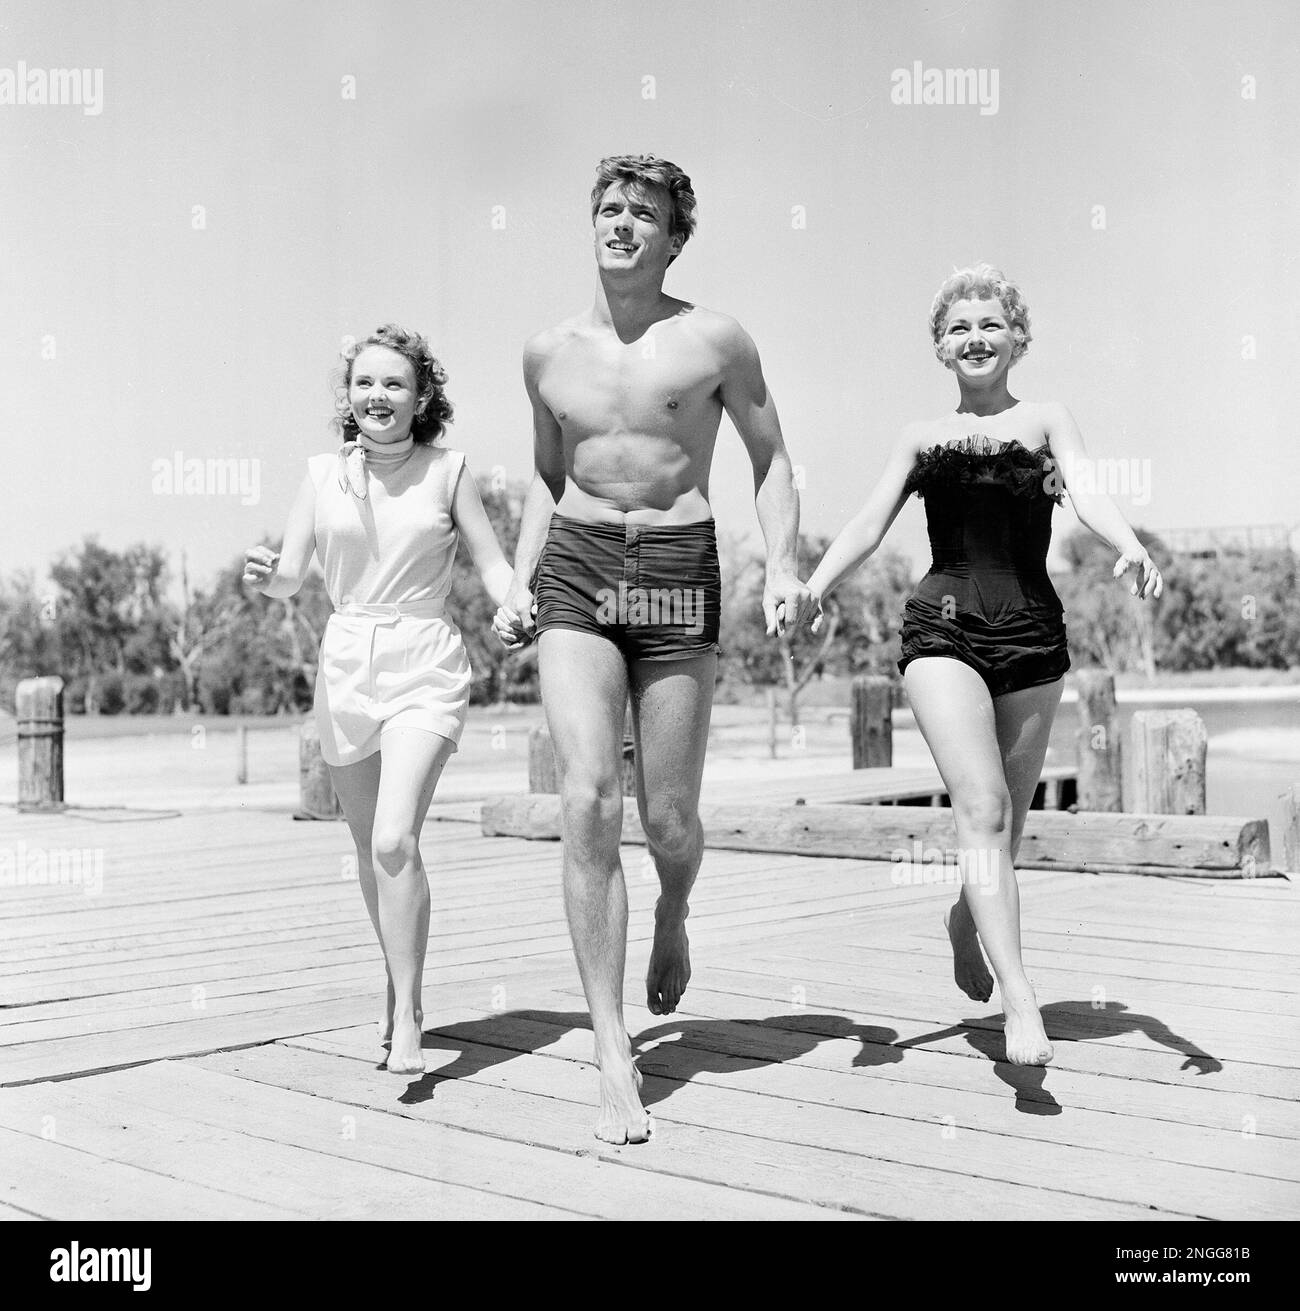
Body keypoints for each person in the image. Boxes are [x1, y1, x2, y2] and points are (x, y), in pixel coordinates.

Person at [494, 155, 814, 1143]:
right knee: (588, 795)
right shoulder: (547, 353)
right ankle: (608, 1043)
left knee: (667, 817)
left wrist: (788, 565)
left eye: (644, 212)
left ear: (673, 236)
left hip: (678, 565)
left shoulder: (714, 339)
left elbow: (770, 459)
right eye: (609, 207)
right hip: (579, 572)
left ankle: (674, 908)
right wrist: (519, 576)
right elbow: (550, 478)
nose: (623, 222)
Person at [807, 265, 1163, 1066]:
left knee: (1009, 822)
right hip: (943, 628)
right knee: (982, 808)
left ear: (1018, 337)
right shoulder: (919, 437)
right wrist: (812, 586)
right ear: (940, 345)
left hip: (1033, 634)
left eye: (991, 323)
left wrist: (1129, 541)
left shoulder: (1046, 419)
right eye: (960, 326)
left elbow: (1088, 490)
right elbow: (869, 521)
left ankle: (966, 917)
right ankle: (1022, 997)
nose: (976, 337)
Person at [244, 324, 513, 1075]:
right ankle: (398, 988)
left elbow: (493, 566)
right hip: (346, 667)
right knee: (368, 848)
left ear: (422, 395)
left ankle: (410, 1007)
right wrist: (265, 572)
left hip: (424, 661)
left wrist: (514, 605)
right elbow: (291, 575)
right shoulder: (321, 475)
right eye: (365, 383)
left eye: (395, 383)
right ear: (347, 396)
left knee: (396, 837)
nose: (378, 395)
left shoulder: (447, 471)